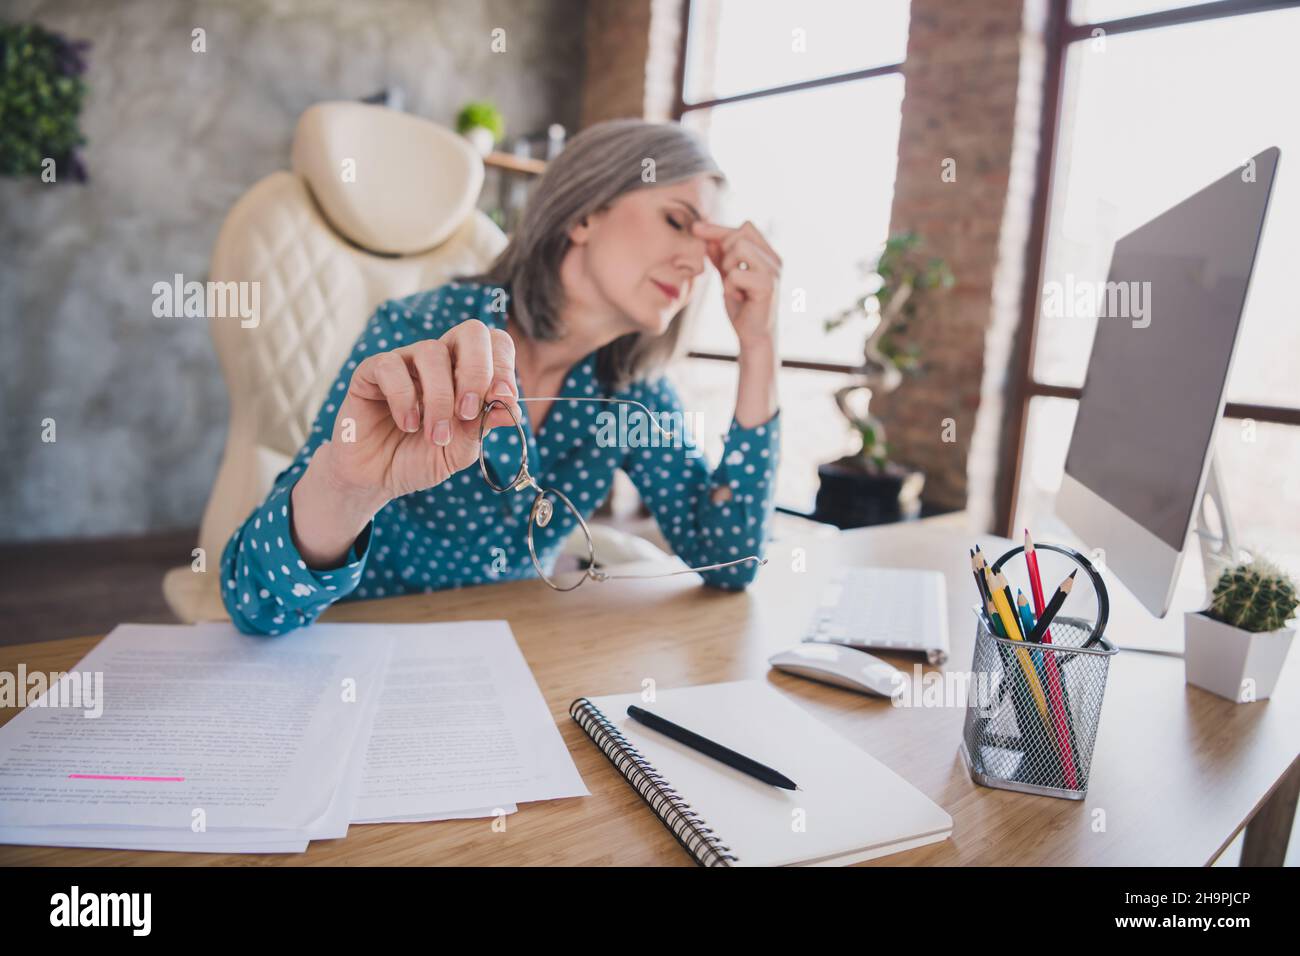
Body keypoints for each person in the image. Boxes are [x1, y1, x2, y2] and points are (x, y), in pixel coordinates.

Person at [220, 119, 782, 635]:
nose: (692, 263)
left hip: (510, 663)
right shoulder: (422, 336)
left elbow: (727, 558)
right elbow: (254, 600)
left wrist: (759, 344)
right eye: (676, 221)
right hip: (361, 649)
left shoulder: (630, 392)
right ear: (585, 214)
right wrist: (346, 490)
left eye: (704, 249)